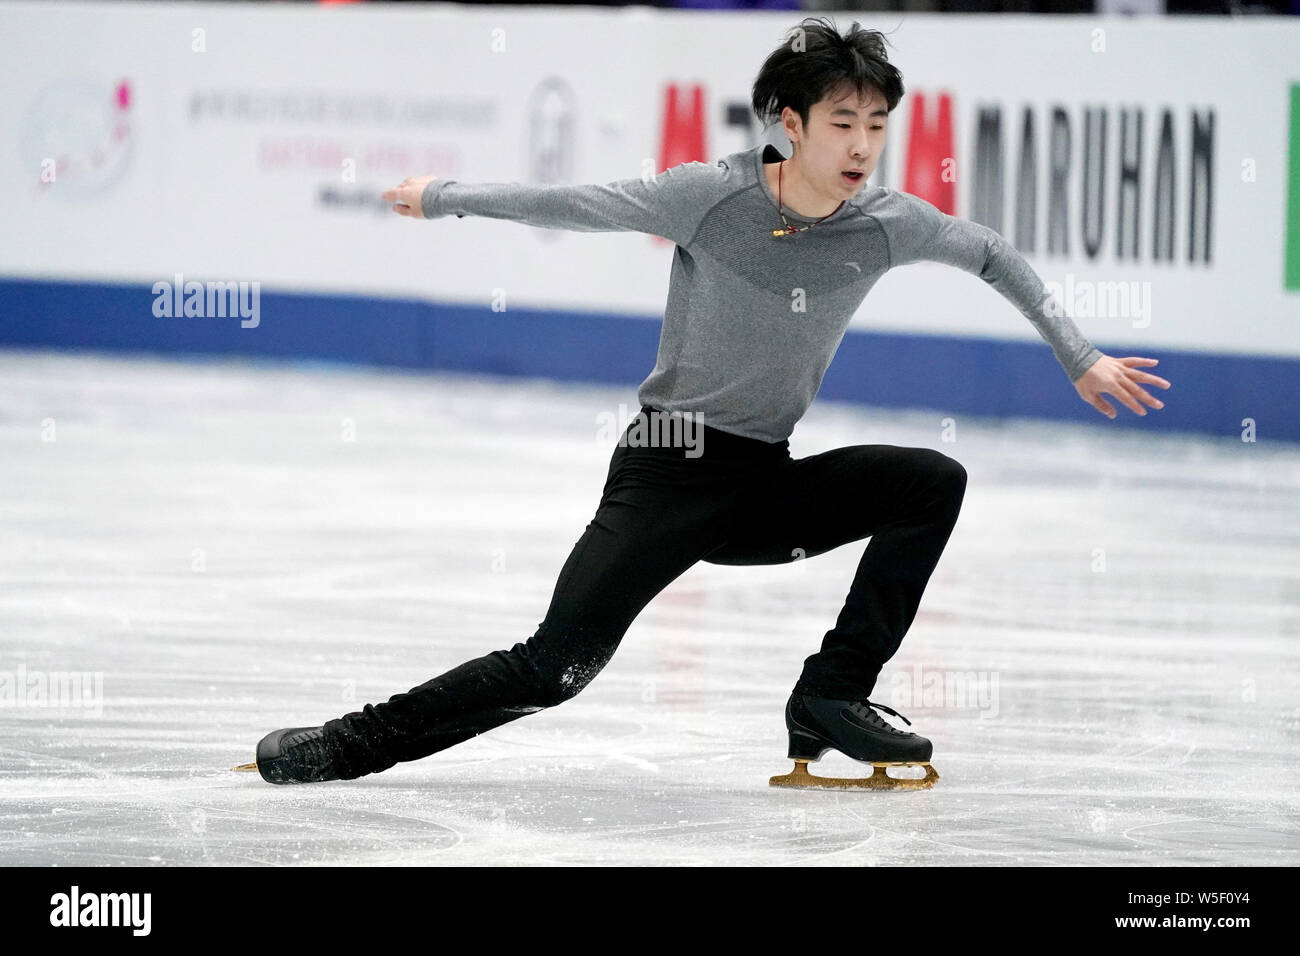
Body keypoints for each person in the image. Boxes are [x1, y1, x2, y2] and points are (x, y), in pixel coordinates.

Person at [238, 16, 1170, 788]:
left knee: (931, 481)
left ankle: (832, 695)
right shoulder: (709, 199)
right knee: (553, 668)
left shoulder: (887, 225)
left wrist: (1078, 356)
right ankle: (339, 746)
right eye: (842, 121)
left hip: (763, 484)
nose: (861, 145)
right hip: (668, 472)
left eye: (877, 124)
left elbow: (993, 253)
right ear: (788, 122)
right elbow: (575, 202)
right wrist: (444, 195)